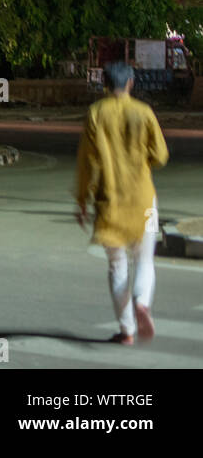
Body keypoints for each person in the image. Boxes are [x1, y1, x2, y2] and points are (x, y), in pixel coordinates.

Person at [76, 61, 169, 345]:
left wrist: (82, 200)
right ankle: (142, 301)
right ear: (131, 83)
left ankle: (127, 329)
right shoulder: (144, 112)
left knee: (117, 266)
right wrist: (142, 163)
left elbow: (87, 163)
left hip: (109, 201)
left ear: (105, 84)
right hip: (144, 199)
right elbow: (161, 155)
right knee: (144, 259)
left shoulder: (95, 113)